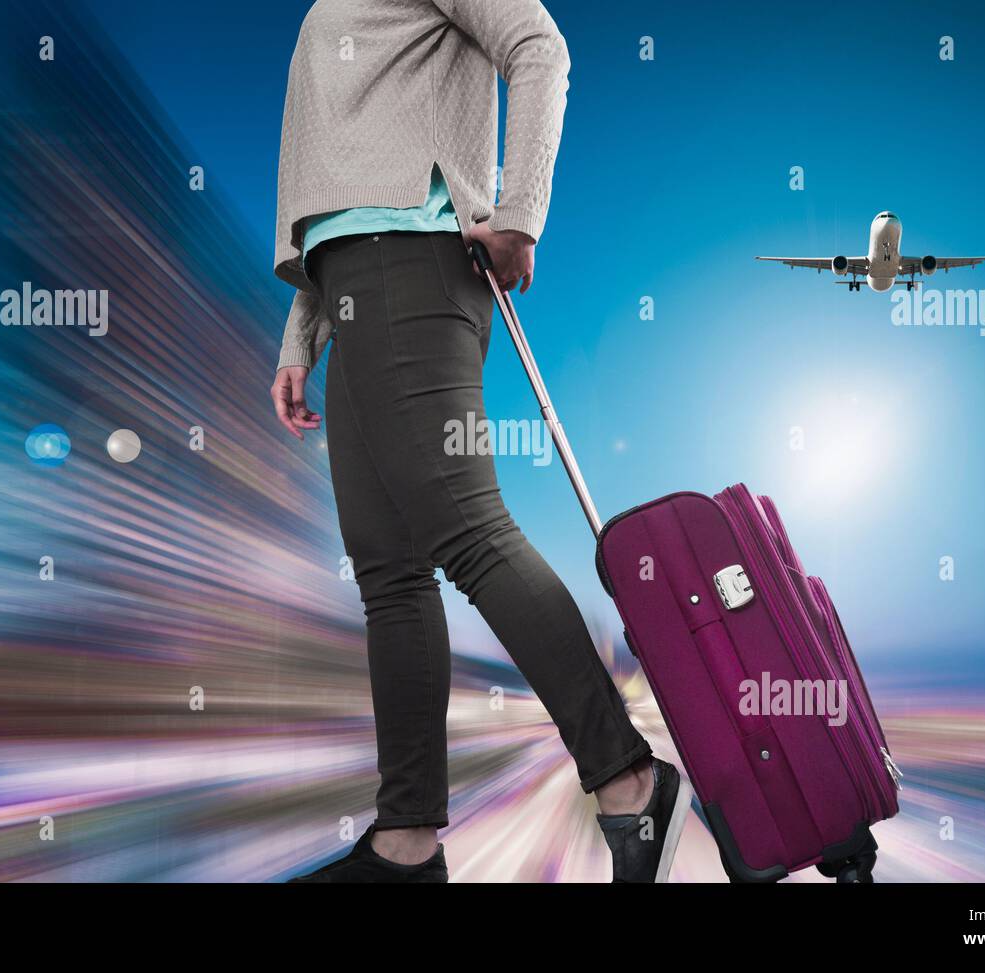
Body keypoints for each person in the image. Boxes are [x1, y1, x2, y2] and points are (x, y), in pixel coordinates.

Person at [270, 0, 689, 883]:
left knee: (467, 528)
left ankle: (630, 781)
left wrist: (520, 212)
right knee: (388, 567)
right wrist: (301, 335)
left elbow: (539, 47)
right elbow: (336, 181)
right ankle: (406, 844)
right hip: (354, 279)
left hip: (409, 261)